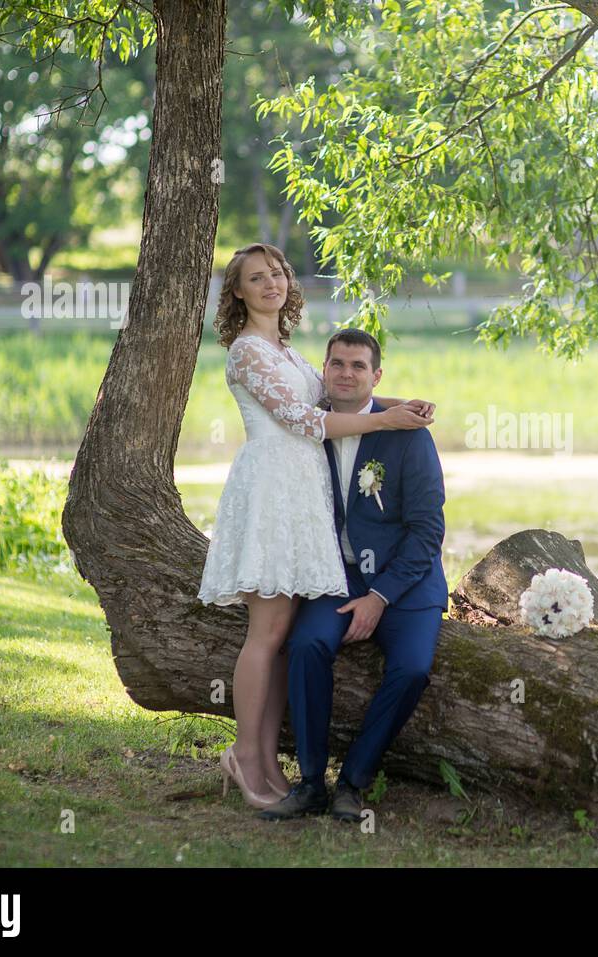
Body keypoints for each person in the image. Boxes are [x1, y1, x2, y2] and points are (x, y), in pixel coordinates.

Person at [197, 242, 435, 808]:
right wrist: (388, 423)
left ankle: (269, 757)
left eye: (277, 273)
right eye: (256, 278)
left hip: (301, 497)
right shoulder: (249, 351)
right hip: (275, 491)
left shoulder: (284, 349)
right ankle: (245, 755)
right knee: (267, 634)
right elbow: (302, 418)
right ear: (237, 291)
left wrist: (396, 405)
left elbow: (331, 395)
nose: (271, 284)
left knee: (281, 640)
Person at [258, 328, 448, 823]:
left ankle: (353, 781)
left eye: (358, 366)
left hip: (405, 584)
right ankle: (309, 781)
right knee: (305, 646)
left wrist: (381, 596)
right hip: (337, 577)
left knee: (411, 670)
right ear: (325, 371)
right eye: (337, 364)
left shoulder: (408, 437)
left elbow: (428, 532)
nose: (346, 373)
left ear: (375, 375)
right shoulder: (310, 429)